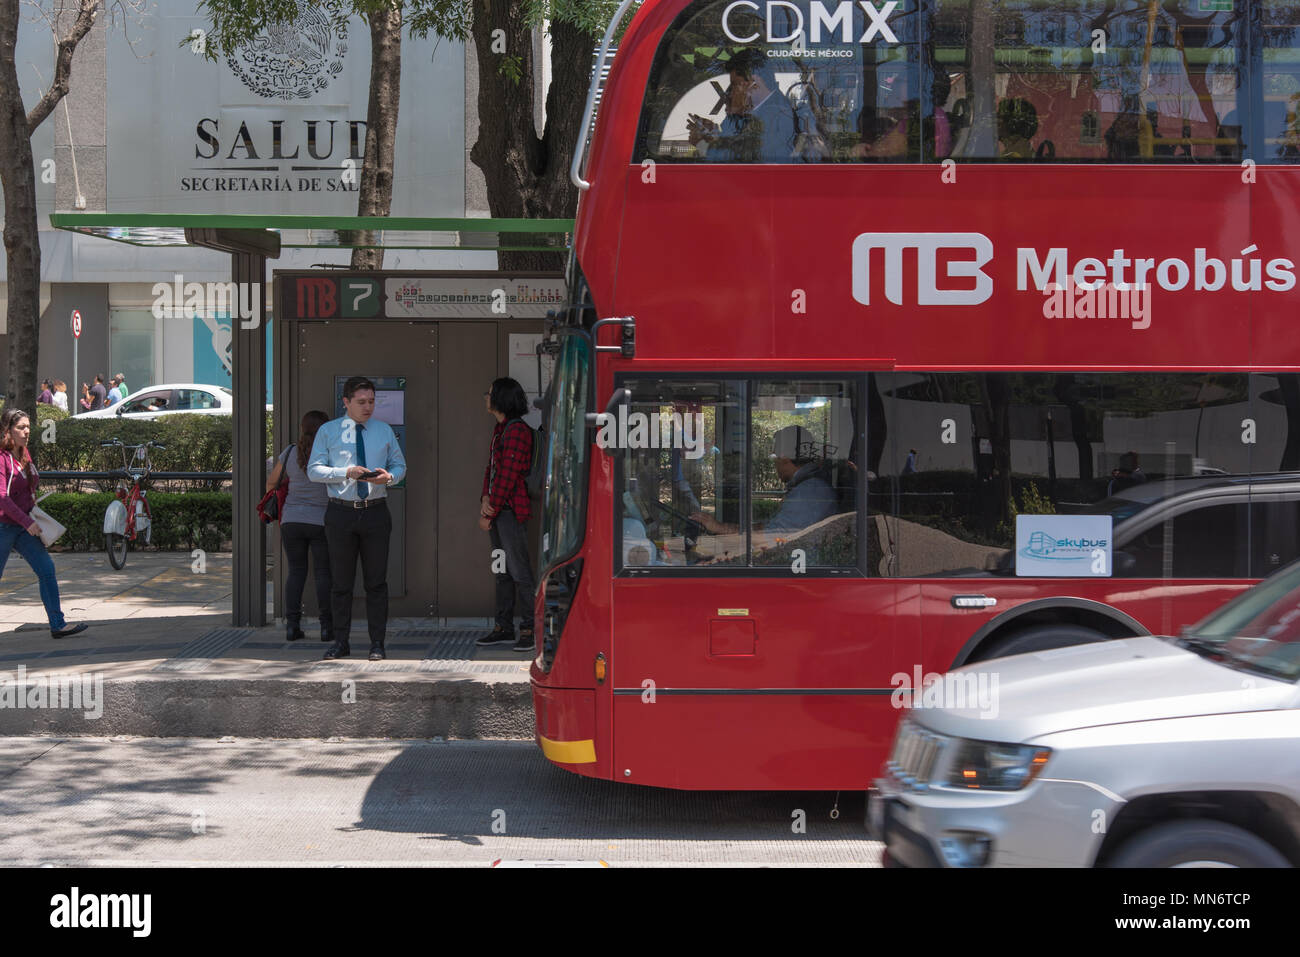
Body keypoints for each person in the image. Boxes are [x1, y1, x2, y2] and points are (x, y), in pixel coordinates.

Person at [308, 376, 407, 662]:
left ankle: (377, 643)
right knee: (341, 583)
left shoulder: (383, 430)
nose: (368, 407)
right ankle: (341, 642)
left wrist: (390, 477)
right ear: (346, 402)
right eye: (361, 402)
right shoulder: (328, 431)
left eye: (372, 402)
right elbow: (314, 470)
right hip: (340, 512)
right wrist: (345, 471)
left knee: (376, 582)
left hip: (375, 510)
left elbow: (399, 464)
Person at [0, 408, 87, 639]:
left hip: (23, 526)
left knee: (47, 570)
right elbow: (2, 497)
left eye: (28, 427)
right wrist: (27, 521)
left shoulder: (23, 453)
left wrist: (30, 505)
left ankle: (58, 625)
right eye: (21, 427)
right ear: (7, 430)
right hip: (4, 526)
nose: (27, 431)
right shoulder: (2, 458)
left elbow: (25, 486)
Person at [475, 378, 538, 653]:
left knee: (520, 571)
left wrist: (491, 511)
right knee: (501, 570)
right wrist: (485, 501)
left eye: (488, 393)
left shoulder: (516, 431)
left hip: (510, 513)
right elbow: (492, 469)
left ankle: (529, 629)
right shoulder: (500, 429)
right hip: (499, 512)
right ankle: (503, 627)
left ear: (501, 397)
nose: (485, 397)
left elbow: (508, 476)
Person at [692, 425, 836, 536]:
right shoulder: (809, 486)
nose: (775, 464)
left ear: (784, 457)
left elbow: (770, 536)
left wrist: (720, 528)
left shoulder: (808, 492)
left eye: (774, 457)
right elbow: (770, 527)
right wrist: (723, 527)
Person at [269, 410, 334, 643]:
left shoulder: (289, 452)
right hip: (321, 521)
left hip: (292, 521)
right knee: (323, 574)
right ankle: (327, 628)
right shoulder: (329, 454)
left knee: (296, 572)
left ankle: (292, 626)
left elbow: (271, 483)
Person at [687, 50, 799, 163]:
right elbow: (737, 143)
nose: (732, 92)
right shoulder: (754, 110)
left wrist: (702, 145)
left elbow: (747, 160)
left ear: (754, 83)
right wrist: (714, 133)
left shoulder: (778, 114)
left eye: (735, 85)